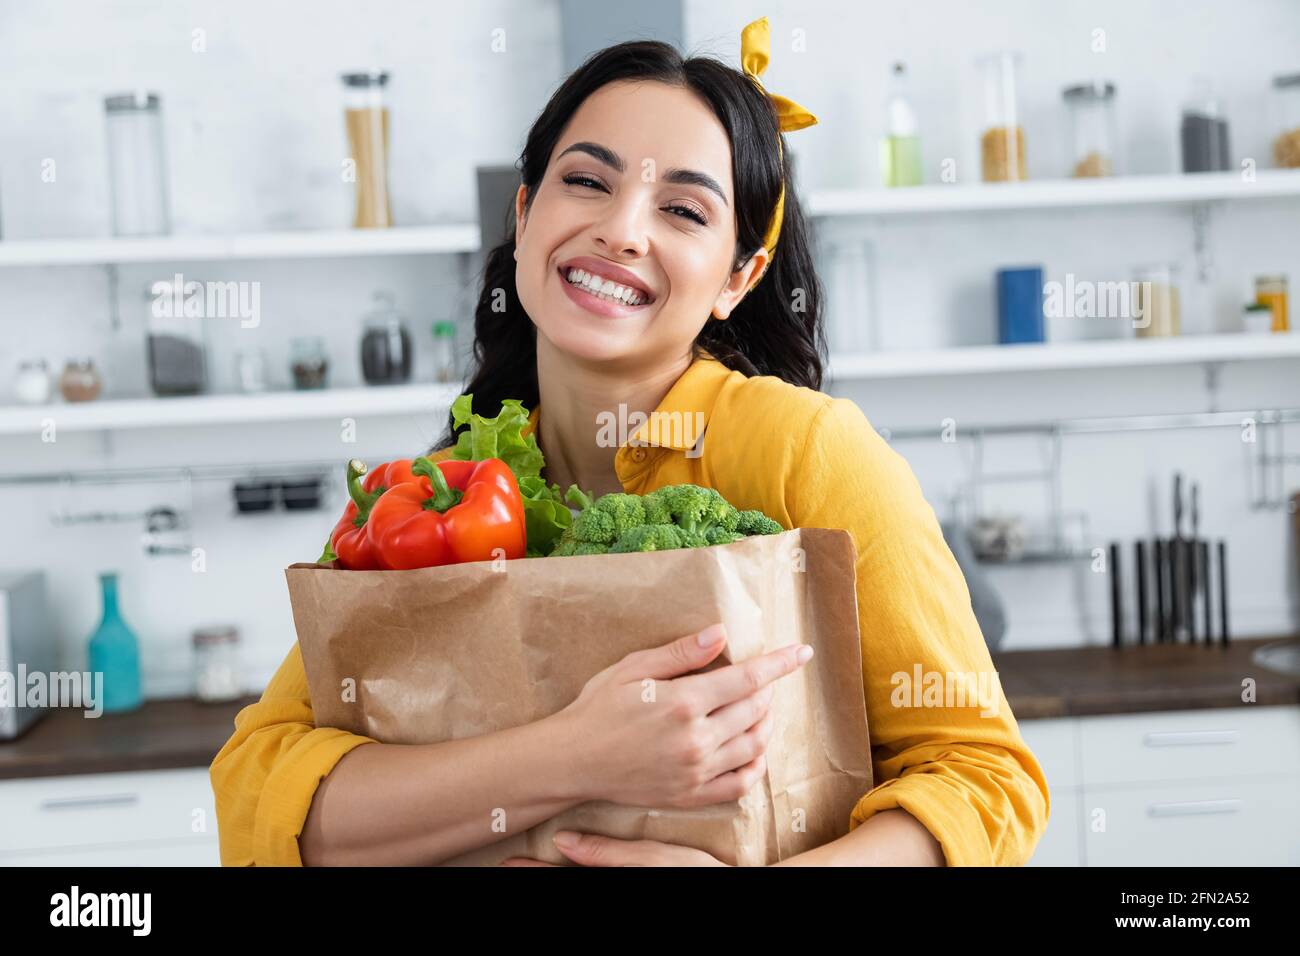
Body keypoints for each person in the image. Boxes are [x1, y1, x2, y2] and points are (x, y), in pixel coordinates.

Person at [211, 17, 1048, 867]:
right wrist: (575, 755)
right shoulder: (432, 498)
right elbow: (259, 793)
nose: (622, 230)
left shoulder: (807, 452)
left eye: (683, 209)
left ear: (738, 277)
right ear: (527, 210)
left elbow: (984, 780)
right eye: (586, 182)